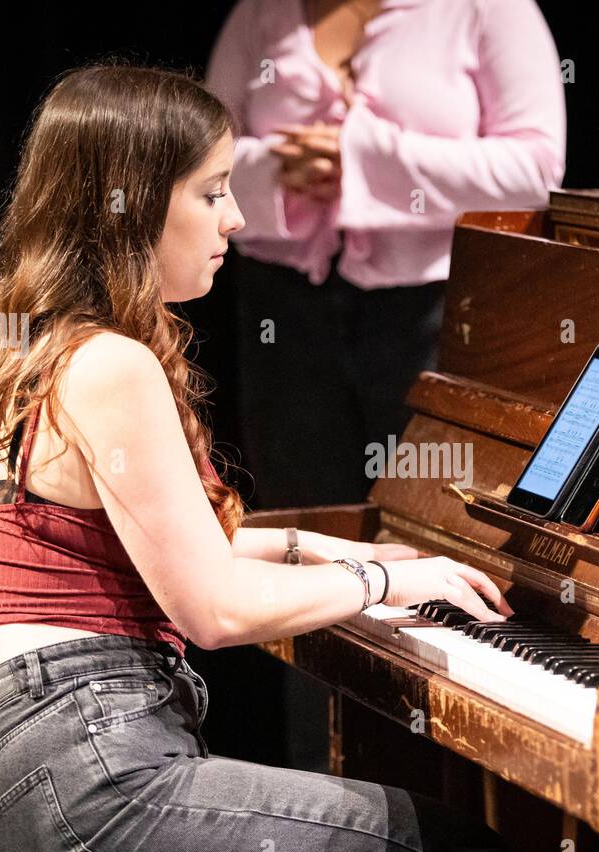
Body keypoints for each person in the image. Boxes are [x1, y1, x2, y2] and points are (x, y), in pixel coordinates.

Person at [0, 63, 524, 852]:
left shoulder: (51, 344)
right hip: (86, 784)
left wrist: (336, 550)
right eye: (211, 193)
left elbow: (168, 541)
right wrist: (388, 586)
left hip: (13, 779)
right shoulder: (113, 366)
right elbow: (213, 611)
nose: (236, 219)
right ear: (129, 205)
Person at [206, 0, 567, 508]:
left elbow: (536, 168)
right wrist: (279, 168)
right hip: (283, 308)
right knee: (304, 514)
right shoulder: (261, 12)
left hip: (435, 309)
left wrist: (365, 157)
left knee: (431, 510)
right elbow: (202, 153)